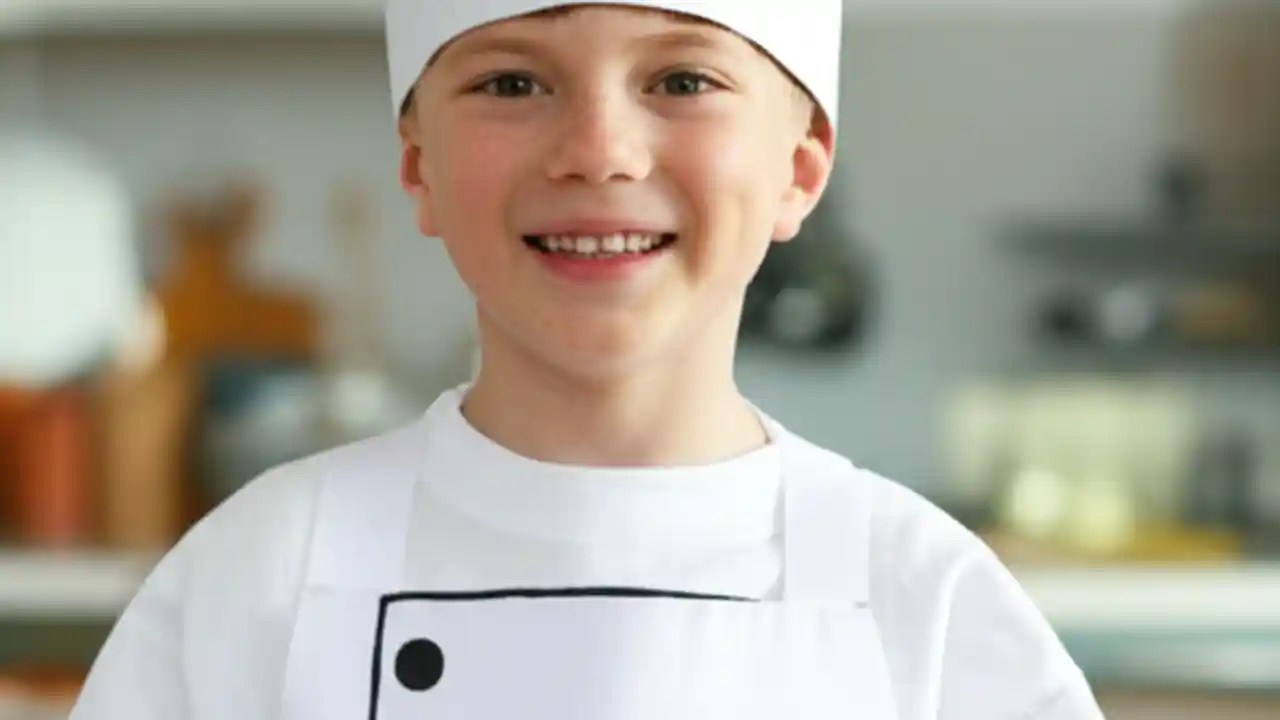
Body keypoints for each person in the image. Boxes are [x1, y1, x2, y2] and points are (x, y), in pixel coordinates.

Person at [69, 2, 1104, 718]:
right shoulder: (256, 581)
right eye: (512, 80)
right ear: (419, 167)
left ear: (797, 172)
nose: (598, 149)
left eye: (683, 79)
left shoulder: (927, 607)